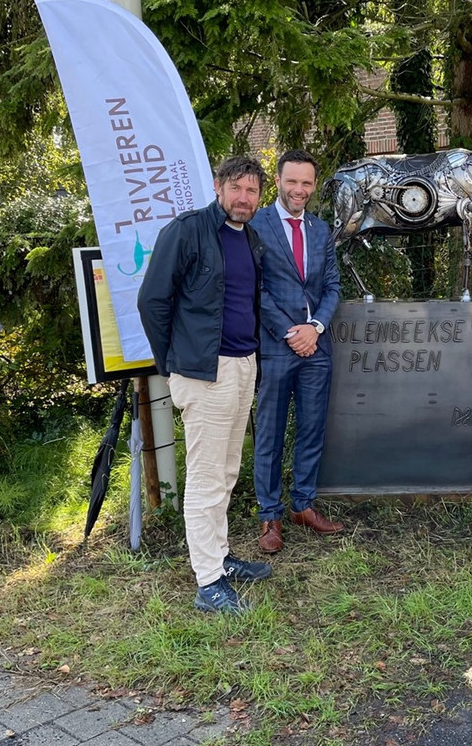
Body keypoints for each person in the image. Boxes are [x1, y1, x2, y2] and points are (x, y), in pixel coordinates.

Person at [137, 156, 272, 614]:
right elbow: (152, 301)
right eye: (236, 188)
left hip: (243, 365)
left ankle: (220, 557)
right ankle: (208, 583)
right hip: (204, 373)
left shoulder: (250, 238)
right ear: (218, 186)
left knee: (227, 472)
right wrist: (174, 363)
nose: (243, 198)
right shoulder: (188, 231)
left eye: (252, 191)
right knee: (206, 478)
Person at [250, 149, 343, 554]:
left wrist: (315, 327)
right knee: (269, 434)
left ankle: (303, 505)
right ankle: (269, 515)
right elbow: (255, 288)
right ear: (277, 181)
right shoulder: (256, 225)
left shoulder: (321, 230)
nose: (299, 189)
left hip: (316, 347)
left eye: (306, 183)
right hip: (275, 346)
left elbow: (332, 286)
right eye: (292, 181)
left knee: (312, 429)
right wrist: (291, 332)